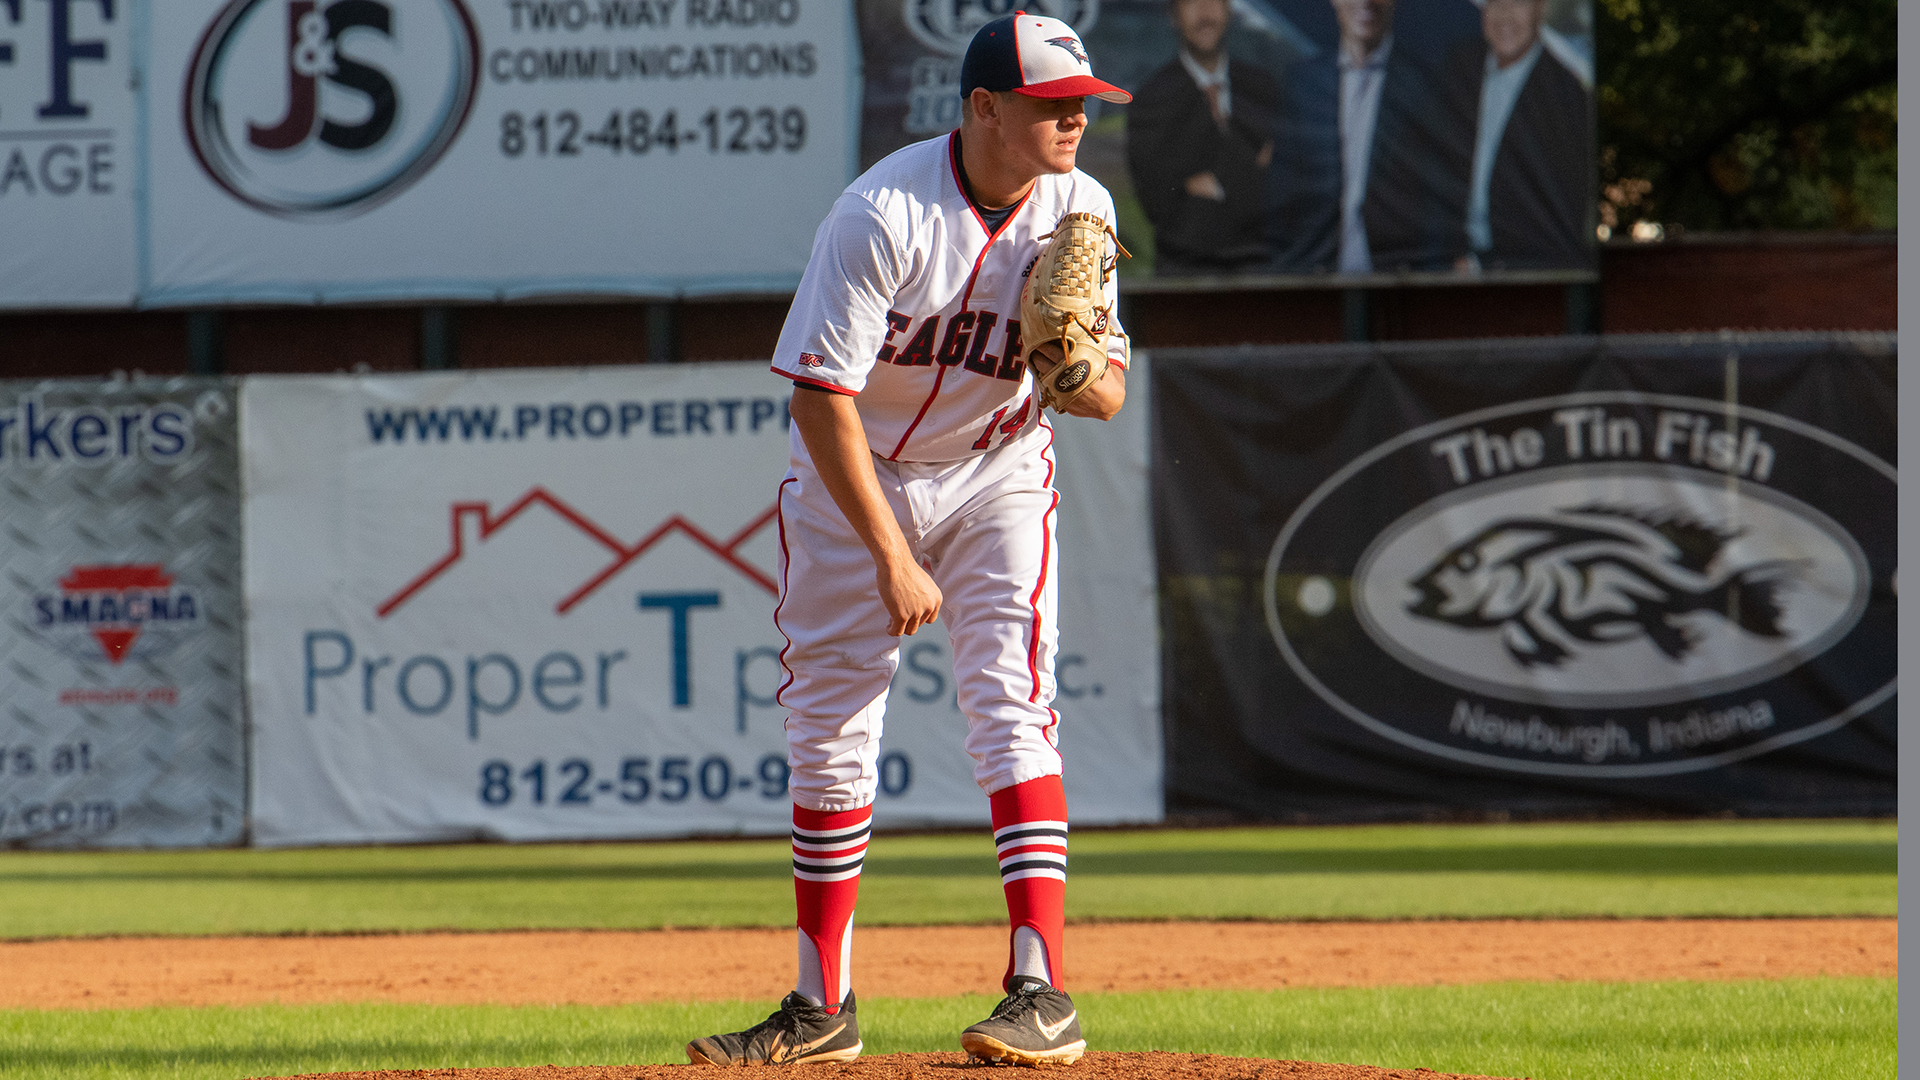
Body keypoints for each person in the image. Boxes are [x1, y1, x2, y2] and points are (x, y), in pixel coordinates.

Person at [683, 11, 1131, 1070]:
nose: (1075, 120)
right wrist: (891, 553)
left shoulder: (1083, 205)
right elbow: (818, 399)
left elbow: (1109, 392)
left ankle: (1040, 993)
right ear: (984, 108)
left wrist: (1076, 370)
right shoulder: (881, 214)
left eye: (1082, 104)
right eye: (1051, 104)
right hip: (860, 475)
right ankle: (820, 1007)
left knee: (1012, 704)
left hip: (998, 468)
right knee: (829, 725)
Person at [1266, 0, 1466, 273]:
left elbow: (1437, 202)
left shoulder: (1425, 86)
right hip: (1314, 277)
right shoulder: (1303, 82)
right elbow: (1283, 191)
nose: (1366, 2)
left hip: (1399, 279)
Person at [1125, 0, 1280, 275]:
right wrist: (1251, 172)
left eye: (1214, 1)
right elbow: (1159, 203)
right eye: (1191, 2)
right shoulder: (1152, 99)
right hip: (1184, 276)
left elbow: (1283, 192)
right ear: (1174, 16)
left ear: (1229, 10)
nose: (1205, 12)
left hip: (1264, 270)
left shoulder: (1264, 89)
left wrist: (1205, 185)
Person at [1446, 0, 1593, 270]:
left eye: (1517, 2)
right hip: (1452, 267)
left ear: (1541, 8)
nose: (1505, 16)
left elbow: (1563, 207)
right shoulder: (1459, 67)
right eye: (1495, 3)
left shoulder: (1567, 93)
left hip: (1532, 270)